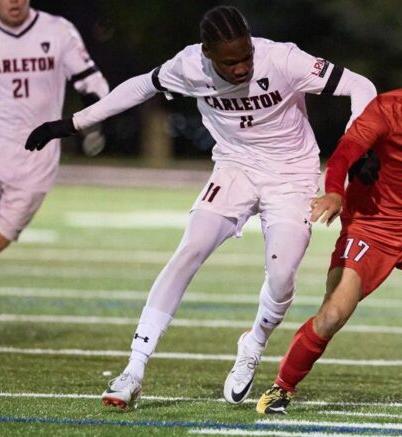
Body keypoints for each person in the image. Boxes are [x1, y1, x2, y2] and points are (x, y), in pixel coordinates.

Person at [25, 5, 376, 410]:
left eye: (246, 57)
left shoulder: (281, 58)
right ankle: (134, 368)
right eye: (230, 62)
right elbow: (141, 86)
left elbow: (360, 85)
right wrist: (74, 123)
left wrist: (359, 145)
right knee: (189, 250)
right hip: (234, 167)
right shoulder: (189, 65)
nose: (242, 67)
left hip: (291, 175)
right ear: (208, 54)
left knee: (281, 276)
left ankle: (254, 342)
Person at [255, 27, 402, 415]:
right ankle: (281, 387)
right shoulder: (389, 109)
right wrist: (336, 191)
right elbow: (345, 153)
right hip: (371, 230)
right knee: (333, 314)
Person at [0, 0, 109, 255]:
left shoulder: (58, 31)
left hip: (35, 161)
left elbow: (95, 87)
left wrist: (81, 120)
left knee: (2, 234)